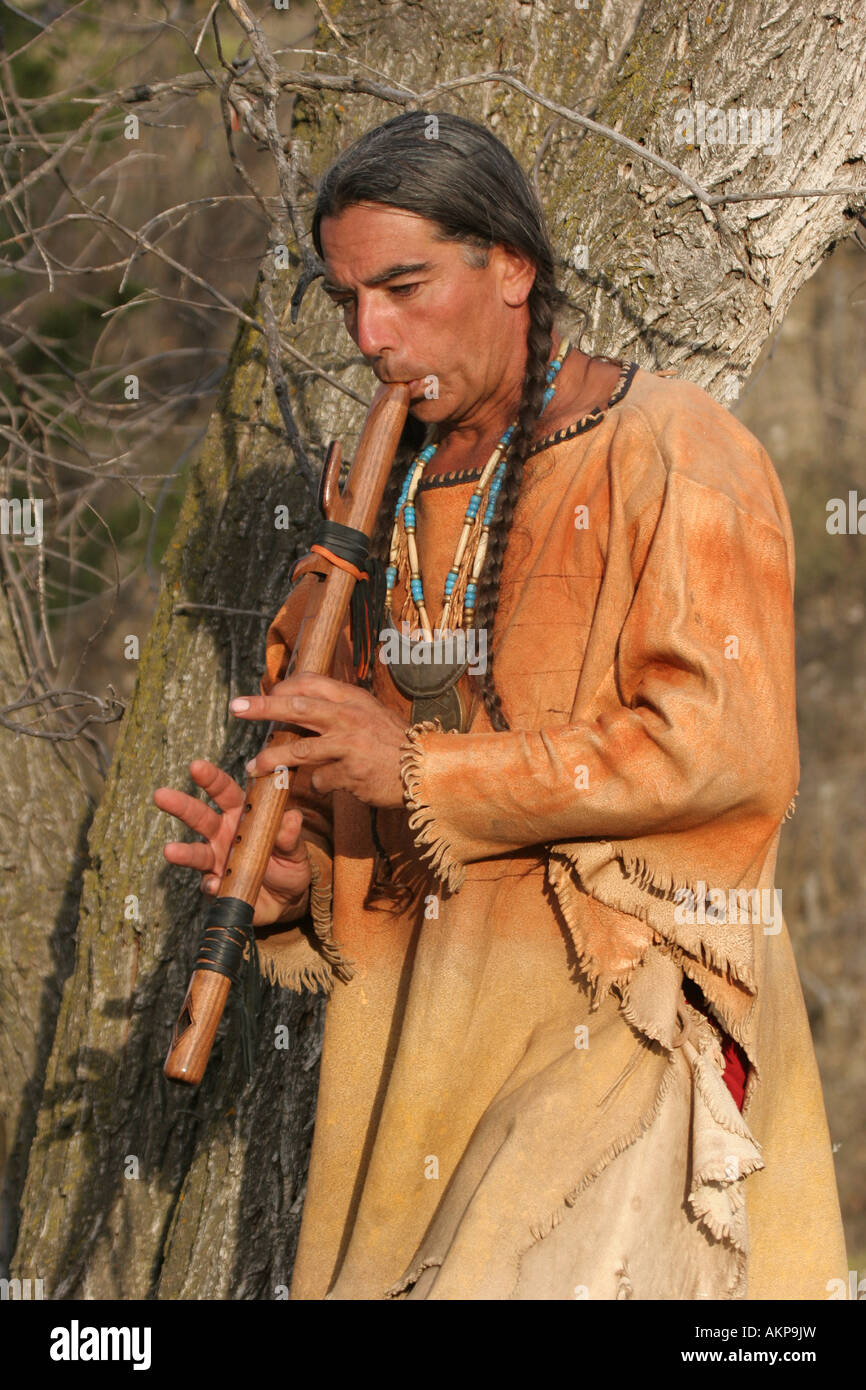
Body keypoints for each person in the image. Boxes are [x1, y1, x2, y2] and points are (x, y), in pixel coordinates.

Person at [154, 112, 847, 1300]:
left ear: (510, 267)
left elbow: (723, 751)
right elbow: (372, 819)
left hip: (620, 1040)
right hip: (415, 1068)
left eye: (405, 287)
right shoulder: (356, 513)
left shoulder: (675, 450)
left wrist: (419, 771)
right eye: (348, 301)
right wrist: (298, 880)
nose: (374, 336)